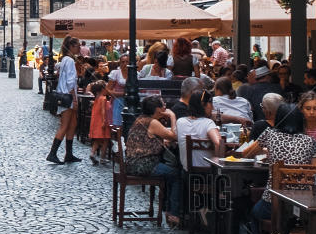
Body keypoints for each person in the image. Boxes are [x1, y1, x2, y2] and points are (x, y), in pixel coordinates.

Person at [242, 103, 316, 234]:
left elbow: (246, 154)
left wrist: (266, 151)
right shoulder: (310, 141)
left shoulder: (270, 134)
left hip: (273, 203)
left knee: (254, 214)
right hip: (301, 204)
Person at [124, 95, 183, 226]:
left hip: (133, 163)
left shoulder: (141, 119)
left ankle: (168, 209)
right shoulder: (153, 122)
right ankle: (173, 213)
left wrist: (161, 142)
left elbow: (147, 139)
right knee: (176, 174)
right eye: (163, 105)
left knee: (170, 171)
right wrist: (173, 117)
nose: (166, 107)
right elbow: (175, 135)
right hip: (144, 165)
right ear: (157, 109)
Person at [46, 34, 81, 165]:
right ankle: (52, 153)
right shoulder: (70, 61)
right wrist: (75, 100)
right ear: (71, 46)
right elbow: (71, 82)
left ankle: (69, 153)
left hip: (64, 95)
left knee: (72, 124)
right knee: (65, 125)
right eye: (78, 45)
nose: (79, 48)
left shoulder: (64, 60)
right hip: (68, 97)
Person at [176, 88, 223, 169]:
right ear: (204, 104)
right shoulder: (208, 123)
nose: (213, 108)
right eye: (211, 104)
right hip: (208, 173)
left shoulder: (180, 122)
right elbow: (219, 143)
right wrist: (216, 160)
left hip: (187, 173)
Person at [88, 79, 112, 165]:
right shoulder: (103, 98)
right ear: (102, 90)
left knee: (97, 140)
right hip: (102, 121)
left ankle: (92, 153)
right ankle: (102, 158)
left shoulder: (97, 98)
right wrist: (104, 121)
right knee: (105, 140)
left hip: (95, 121)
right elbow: (103, 110)